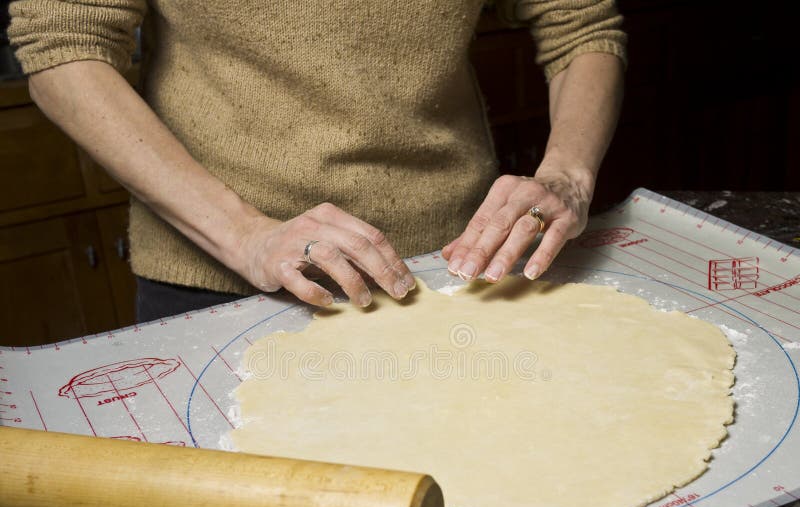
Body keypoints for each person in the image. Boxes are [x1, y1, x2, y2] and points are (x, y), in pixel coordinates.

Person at [8, 0, 626, 322]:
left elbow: (580, 25)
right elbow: (65, 47)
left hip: (453, 265)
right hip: (215, 275)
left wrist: (566, 175)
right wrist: (245, 235)